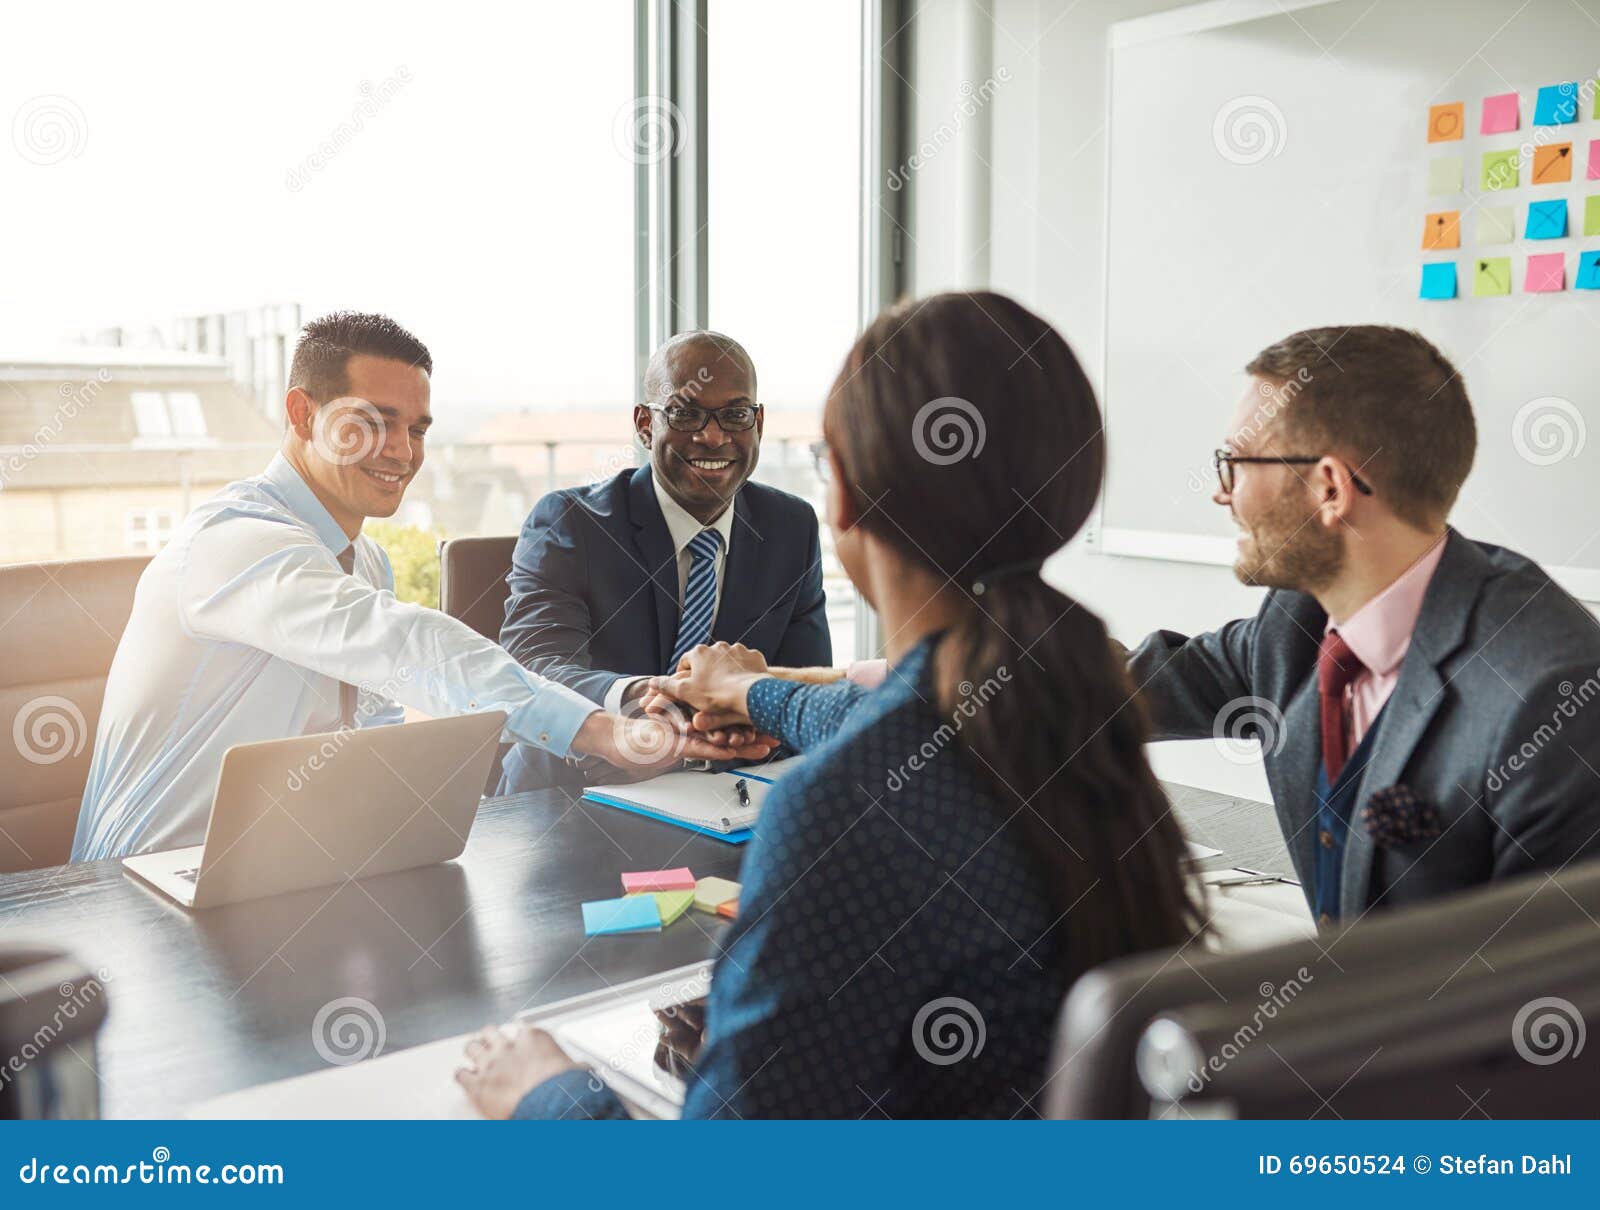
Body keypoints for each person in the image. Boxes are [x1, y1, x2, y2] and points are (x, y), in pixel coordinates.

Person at [455, 291, 1203, 1119]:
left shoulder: (837, 812)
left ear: (844, 494)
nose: (714, 436)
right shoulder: (1077, 719)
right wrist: (770, 1037)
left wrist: (549, 1092)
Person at [660, 326, 1600, 926]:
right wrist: (775, 686)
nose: (1220, 492)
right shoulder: (1300, 625)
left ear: (1329, 488)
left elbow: (1553, 1034)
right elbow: (1080, 690)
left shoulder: (1551, 697)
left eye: (1237, 463)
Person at [72, 313, 770, 862]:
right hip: (139, 884)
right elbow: (402, 642)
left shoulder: (366, 561)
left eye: (416, 428)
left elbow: (370, 742)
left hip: (280, 872)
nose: (403, 452)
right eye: (373, 422)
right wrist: (606, 731)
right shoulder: (233, 542)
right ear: (303, 414)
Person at [495, 330, 831, 792]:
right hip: (572, 793)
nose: (712, 436)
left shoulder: (791, 527)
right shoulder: (571, 523)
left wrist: (736, 723)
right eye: (685, 413)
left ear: (758, 423)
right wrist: (658, 697)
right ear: (644, 424)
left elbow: (807, 694)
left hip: (727, 796)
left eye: (735, 415)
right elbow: (534, 670)